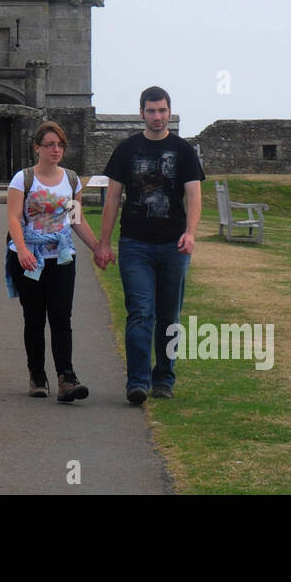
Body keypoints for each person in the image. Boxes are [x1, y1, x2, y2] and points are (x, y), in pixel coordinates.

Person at [96, 86, 204, 404]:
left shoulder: (183, 151)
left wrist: (191, 233)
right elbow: (113, 198)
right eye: (151, 111)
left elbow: (194, 195)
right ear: (141, 112)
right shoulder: (126, 150)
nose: (157, 117)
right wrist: (104, 243)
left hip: (173, 245)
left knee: (169, 315)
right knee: (141, 312)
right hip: (135, 244)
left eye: (162, 110)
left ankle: (164, 379)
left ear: (169, 112)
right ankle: (138, 382)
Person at [6, 121, 106, 401]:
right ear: (37, 147)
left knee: (62, 317)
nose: (55, 149)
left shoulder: (71, 180)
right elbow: (13, 217)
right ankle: (37, 376)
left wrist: (98, 247)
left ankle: (67, 378)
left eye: (60, 144)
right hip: (28, 258)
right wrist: (23, 250)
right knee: (34, 318)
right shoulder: (23, 179)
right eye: (49, 144)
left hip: (62, 258)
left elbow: (76, 220)